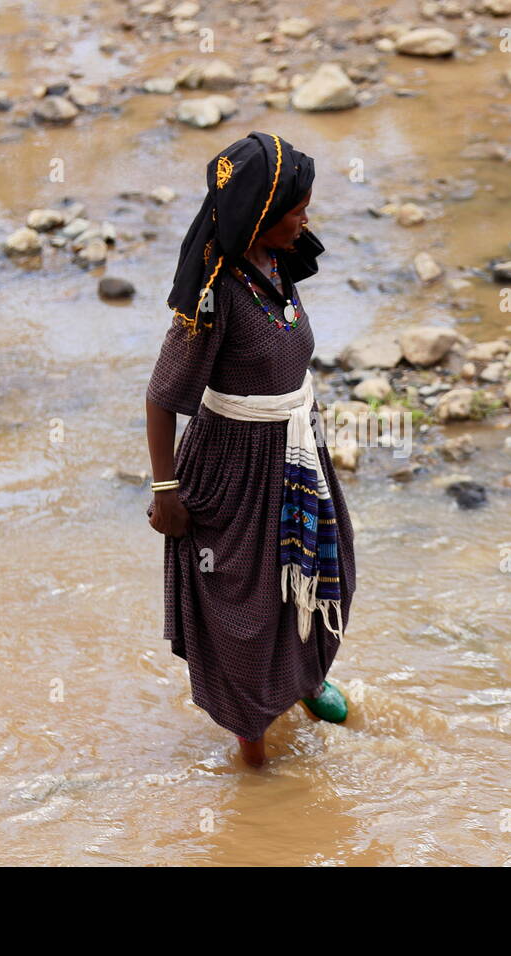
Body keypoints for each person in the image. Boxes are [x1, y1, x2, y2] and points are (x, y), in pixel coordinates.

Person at [145, 131, 356, 767]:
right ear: (262, 216)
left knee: (328, 572)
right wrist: (165, 492)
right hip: (236, 470)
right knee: (248, 613)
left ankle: (303, 681)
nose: (306, 219)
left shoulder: (279, 260)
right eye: (298, 210)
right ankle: (254, 753)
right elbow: (161, 397)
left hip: (295, 452)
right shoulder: (215, 296)